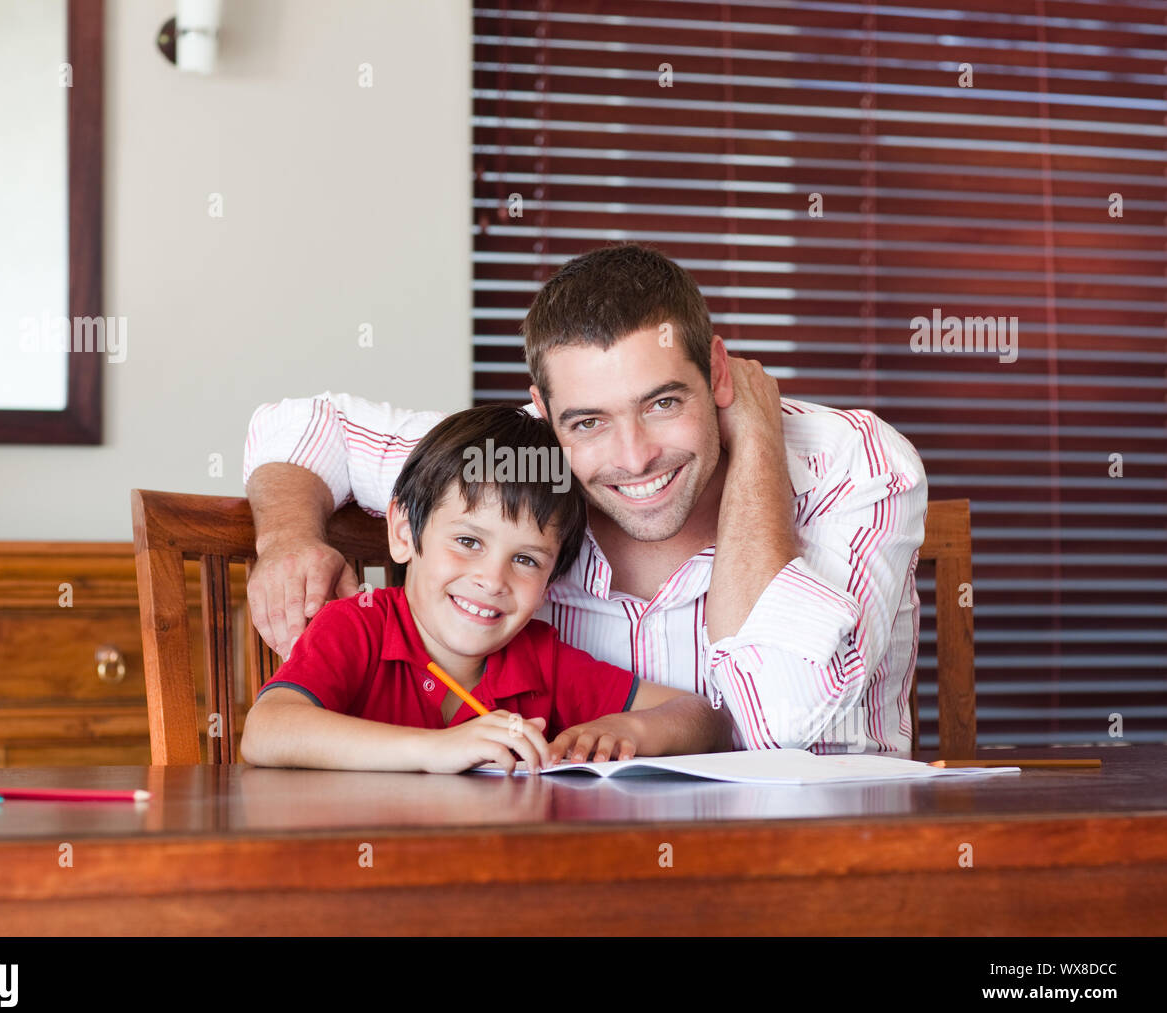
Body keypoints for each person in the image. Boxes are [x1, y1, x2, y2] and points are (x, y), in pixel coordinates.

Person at [243, 244, 927, 755]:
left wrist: (758, 445)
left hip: (840, 861)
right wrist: (286, 537)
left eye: (663, 402)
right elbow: (307, 424)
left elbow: (776, 716)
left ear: (718, 371)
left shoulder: (852, 463)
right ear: (543, 413)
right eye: (588, 421)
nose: (632, 457)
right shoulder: (515, 471)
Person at [239, 403, 732, 773]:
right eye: (468, 541)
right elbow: (267, 732)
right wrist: (437, 750)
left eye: (525, 559)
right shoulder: (358, 624)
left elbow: (703, 715)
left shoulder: (540, 659)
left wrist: (628, 729)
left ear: (553, 575)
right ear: (405, 532)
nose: (492, 580)